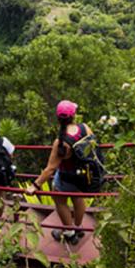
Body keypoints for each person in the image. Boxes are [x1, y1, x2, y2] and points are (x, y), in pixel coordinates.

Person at [36, 100, 105, 243]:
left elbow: (50, 168)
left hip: (66, 178)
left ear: (58, 119)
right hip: (84, 176)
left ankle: (69, 232)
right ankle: (78, 228)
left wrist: (35, 186)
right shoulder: (85, 128)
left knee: (59, 200)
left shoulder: (61, 142)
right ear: (74, 116)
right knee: (78, 198)